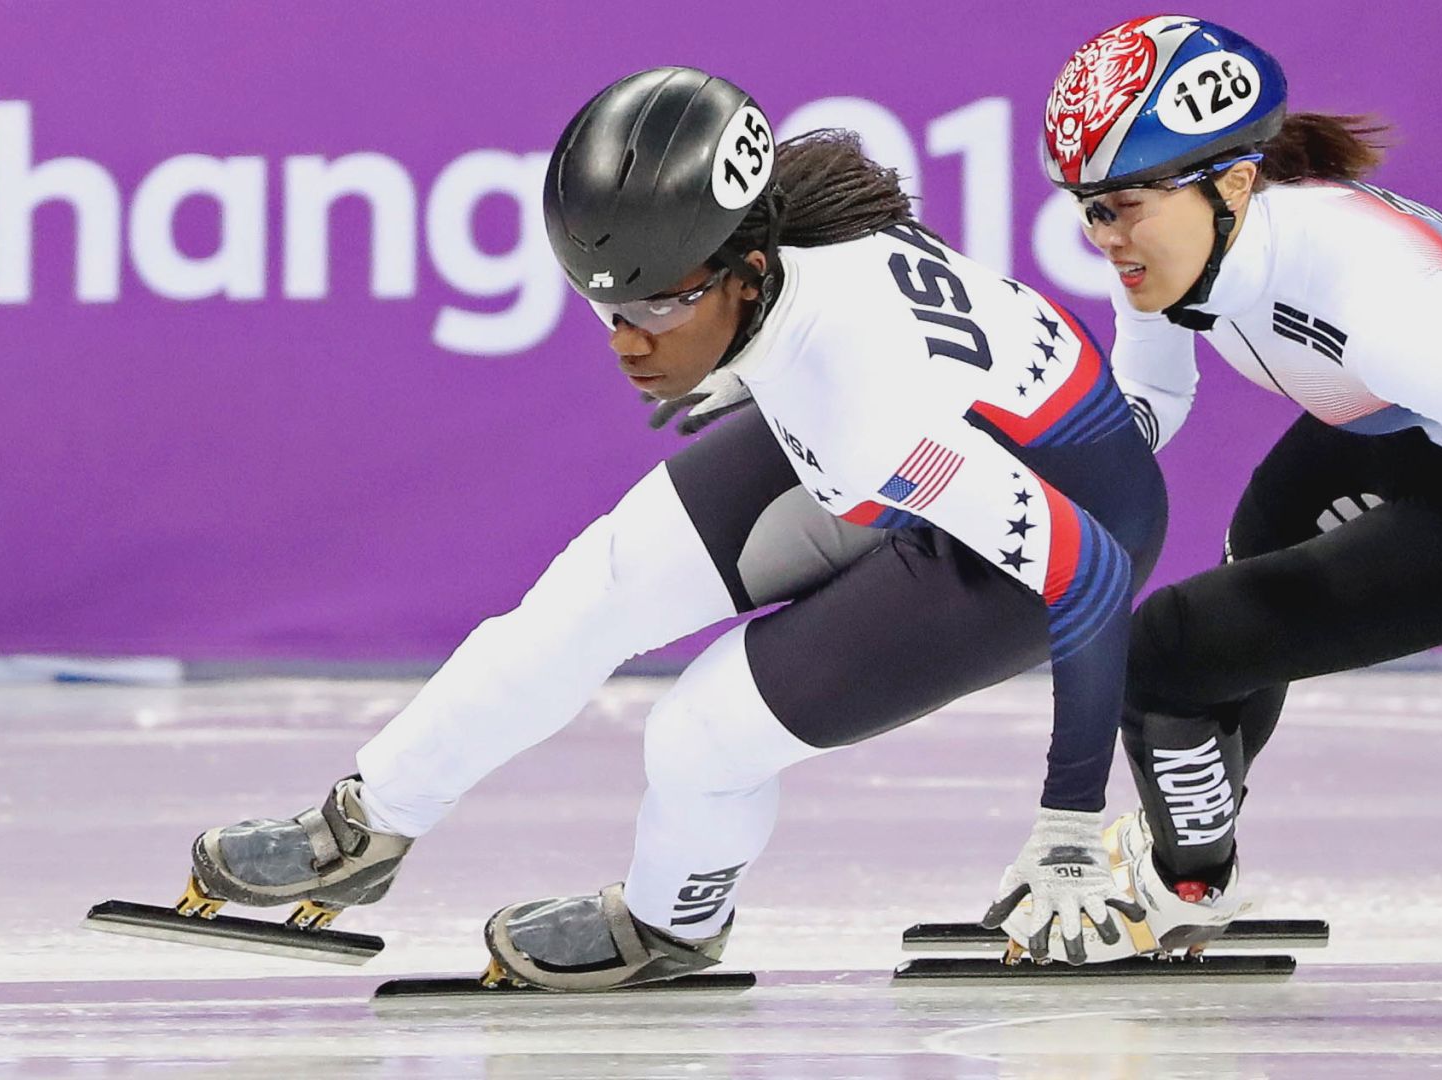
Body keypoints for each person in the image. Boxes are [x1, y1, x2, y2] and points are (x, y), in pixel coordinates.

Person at [176, 65, 1170, 988]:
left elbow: (1085, 571)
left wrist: (1070, 816)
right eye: (602, 307)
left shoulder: (866, 403)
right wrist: (735, 361)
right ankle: (365, 829)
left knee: (702, 734)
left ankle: (671, 925)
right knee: (588, 593)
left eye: (653, 308)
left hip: (1049, 534)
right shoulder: (774, 242)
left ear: (743, 272)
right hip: (931, 433)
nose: (624, 342)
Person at [1037, 15, 1442, 960]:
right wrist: (1039, 479)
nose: (1106, 237)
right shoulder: (1179, 240)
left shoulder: (1374, 307)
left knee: (1164, 650)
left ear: (1233, 182)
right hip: (1397, 422)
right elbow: (1155, 392)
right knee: (1250, 562)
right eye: (1091, 209)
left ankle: (1185, 879)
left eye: (1124, 205)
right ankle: (1194, 846)